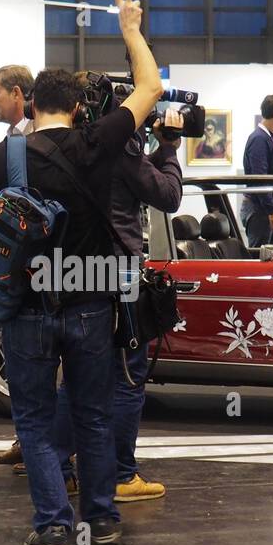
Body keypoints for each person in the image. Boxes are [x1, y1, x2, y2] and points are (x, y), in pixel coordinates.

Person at [0, 0, 162, 545]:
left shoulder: (6, 155)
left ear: (31, 103)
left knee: (33, 417)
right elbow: (149, 85)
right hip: (93, 301)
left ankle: (51, 526)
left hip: (26, 305)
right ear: (76, 107)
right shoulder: (100, 142)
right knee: (94, 414)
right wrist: (128, 27)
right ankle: (101, 521)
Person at [49, 106, 184, 504]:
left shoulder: (69, 147)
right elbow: (169, 196)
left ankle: (60, 470)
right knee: (128, 374)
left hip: (73, 270)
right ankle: (121, 475)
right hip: (119, 270)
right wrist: (170, 148)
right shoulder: (121, 150)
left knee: (77, 375)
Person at [0, 63, 35, 469]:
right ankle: (27, 441)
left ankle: (48, 450)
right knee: (20, 361)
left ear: (17, 93)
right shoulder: (8, 143)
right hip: (15, 267)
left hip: (46, 269)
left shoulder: (38, 143)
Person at [239, 95, 273, 248]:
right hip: (259, 209)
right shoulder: (259, 139)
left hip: (270, 206)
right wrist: (272, 211)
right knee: (260, 255)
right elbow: (260, 179)